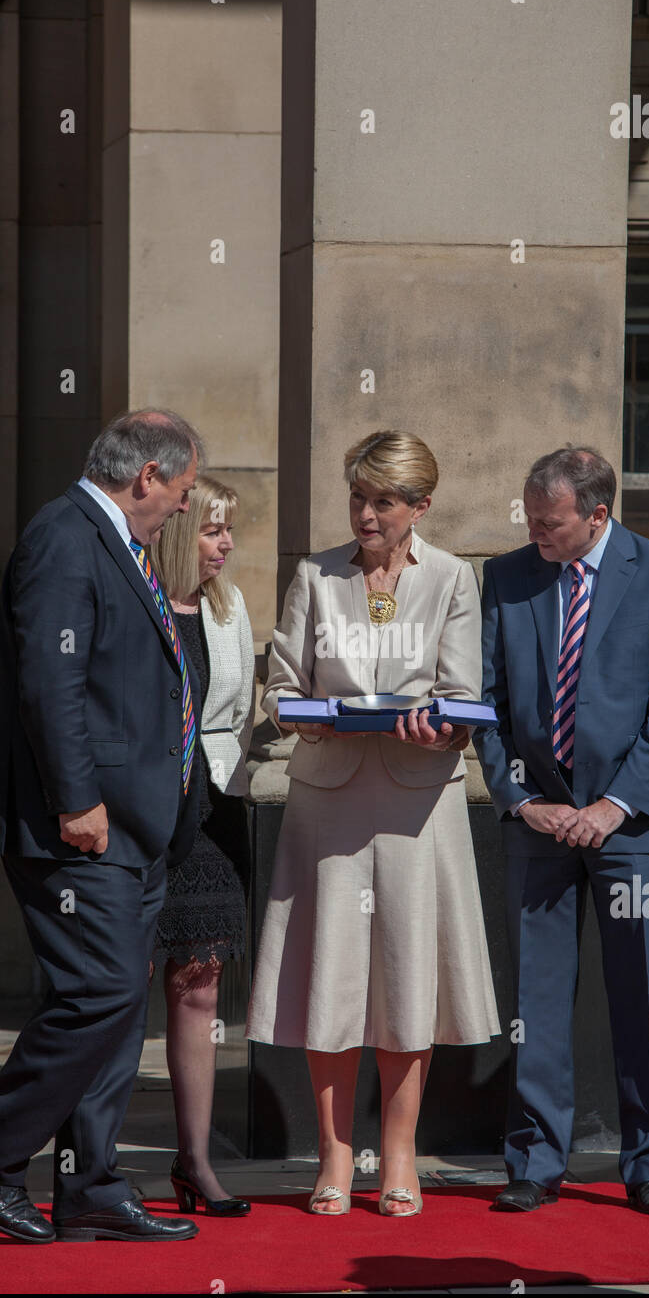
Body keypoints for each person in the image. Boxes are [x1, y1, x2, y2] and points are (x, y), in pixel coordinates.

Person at [0, 409, 205, 1243]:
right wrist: (77, 801)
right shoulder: (65, 536)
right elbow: (50, 687)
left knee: (116, 1010)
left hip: (137, 824)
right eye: (183, 490)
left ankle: (90, 1183)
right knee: (102, 992)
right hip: (82, 827)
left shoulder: (116, 539)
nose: (184, 508)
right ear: (148, 475)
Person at [246, 430, 500, 1217]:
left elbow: (464, 697)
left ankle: (397, 1154)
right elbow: (279, 689)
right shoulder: (314, 575)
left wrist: (443, 730)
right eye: (358, 497)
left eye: (383, 501)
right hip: (329, 796)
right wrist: (305, 717)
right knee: (332, 973)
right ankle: (332, 1155)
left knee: (406, 976)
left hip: (418, 801)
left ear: (419, 507)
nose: (365, 514)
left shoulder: (453, 578)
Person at [473, 444, 649, 1216]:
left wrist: (616, 805)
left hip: (635, 829)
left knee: (645, 1000)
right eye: (531, 518)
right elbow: (487, 703)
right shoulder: (508, 577)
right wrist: (517, 799)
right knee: (536, 1001)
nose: (534, 532)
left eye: (550, 522)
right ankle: (535, 1161)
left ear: (598, 515)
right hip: (539, 822)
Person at [149, 474, 254, 1218]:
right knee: (117, 985)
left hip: (213, 810)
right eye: (214, 530)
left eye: (229, 531)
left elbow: (239, 710)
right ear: (183, 529)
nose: (226, 545)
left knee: (201, 984)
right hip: (138, 811)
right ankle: (89, 1164)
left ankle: (195, 1161)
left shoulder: (230, 605)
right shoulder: (138, 595)